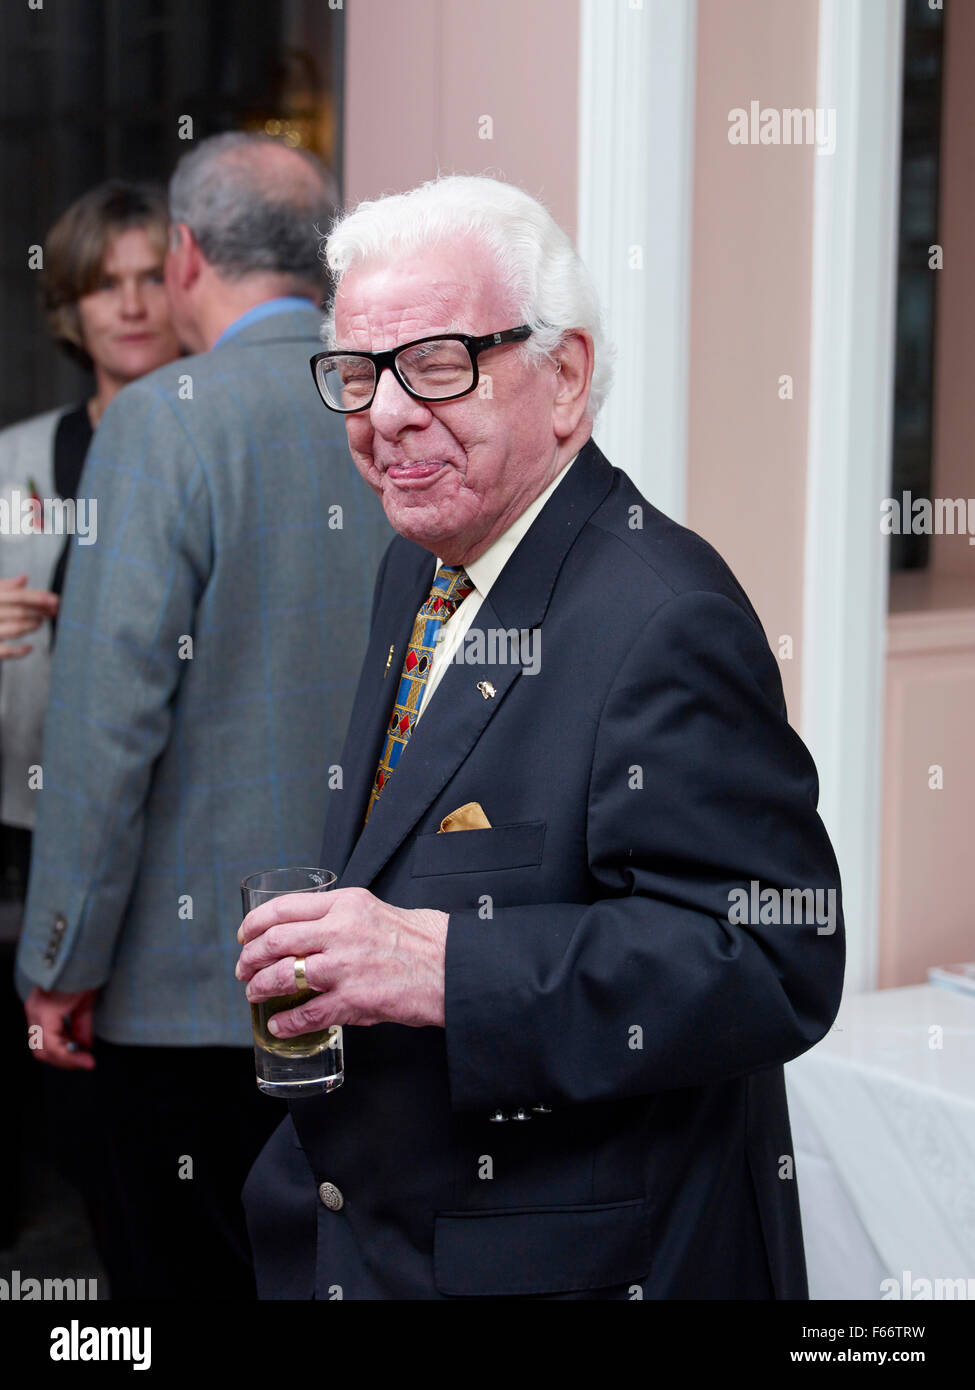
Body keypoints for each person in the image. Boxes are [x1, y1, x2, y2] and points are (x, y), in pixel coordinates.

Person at [236, 174, 846, 1300]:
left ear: (564, 377)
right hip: (377, 1238)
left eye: (435, 364)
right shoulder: (417, 565)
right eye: (360, 375)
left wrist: (442, 965)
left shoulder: (663, 614)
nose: (384, 416)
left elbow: (773, 958)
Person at [15, 132, 392, 1298]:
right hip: (381, 964)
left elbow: (106, 728)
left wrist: (59, 961)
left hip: (189, 992)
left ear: (184, 256)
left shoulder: (161, 420)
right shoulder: (392, 400)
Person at [0, 180, 180, 1252]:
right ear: (69, 307)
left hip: (159, 849)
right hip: (16, 830)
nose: (131, 303)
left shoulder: (215, 445)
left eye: (153, 274)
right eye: (104, 283)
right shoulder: (13, 461)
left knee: (134, 1154)